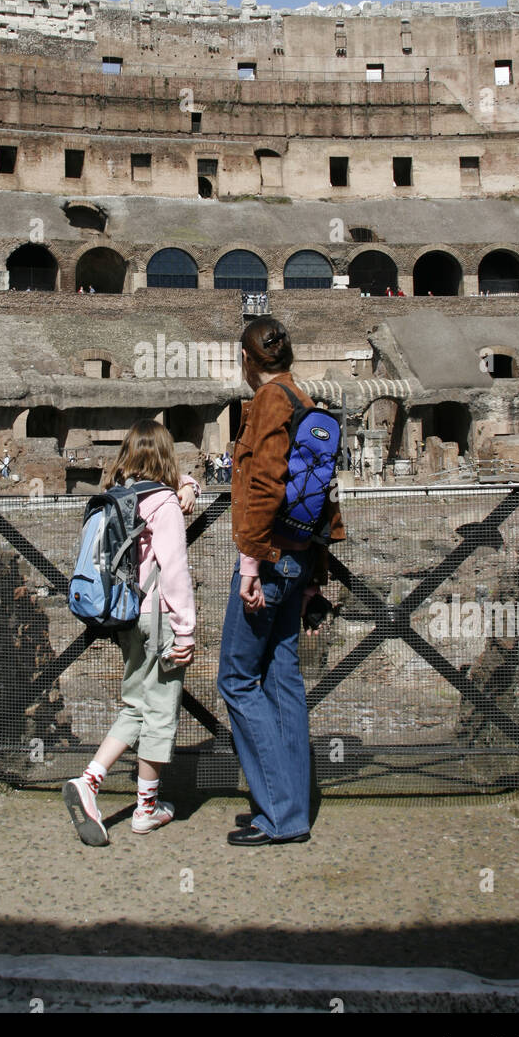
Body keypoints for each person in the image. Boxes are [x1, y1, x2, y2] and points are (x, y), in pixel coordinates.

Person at [217, 316, 345, 846]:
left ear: (247, 361)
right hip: (296, 563)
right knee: (283, 677)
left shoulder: (269, 403)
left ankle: (279, 814)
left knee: (237, 680)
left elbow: (264, 484)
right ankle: (294, 804)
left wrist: (249, 564)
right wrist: (314, 575)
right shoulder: (305, 401)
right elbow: (324, 495)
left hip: (268, 564)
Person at [62, 421, 199, 846]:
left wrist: (190, 483)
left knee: (137, 704)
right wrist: (186, 632)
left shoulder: (119, 496)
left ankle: (89, 781)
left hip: (124, 616)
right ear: (165, 457)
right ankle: (145, 810)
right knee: (160, 710)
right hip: (156, 618)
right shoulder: (164, 505)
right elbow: (174, 571)